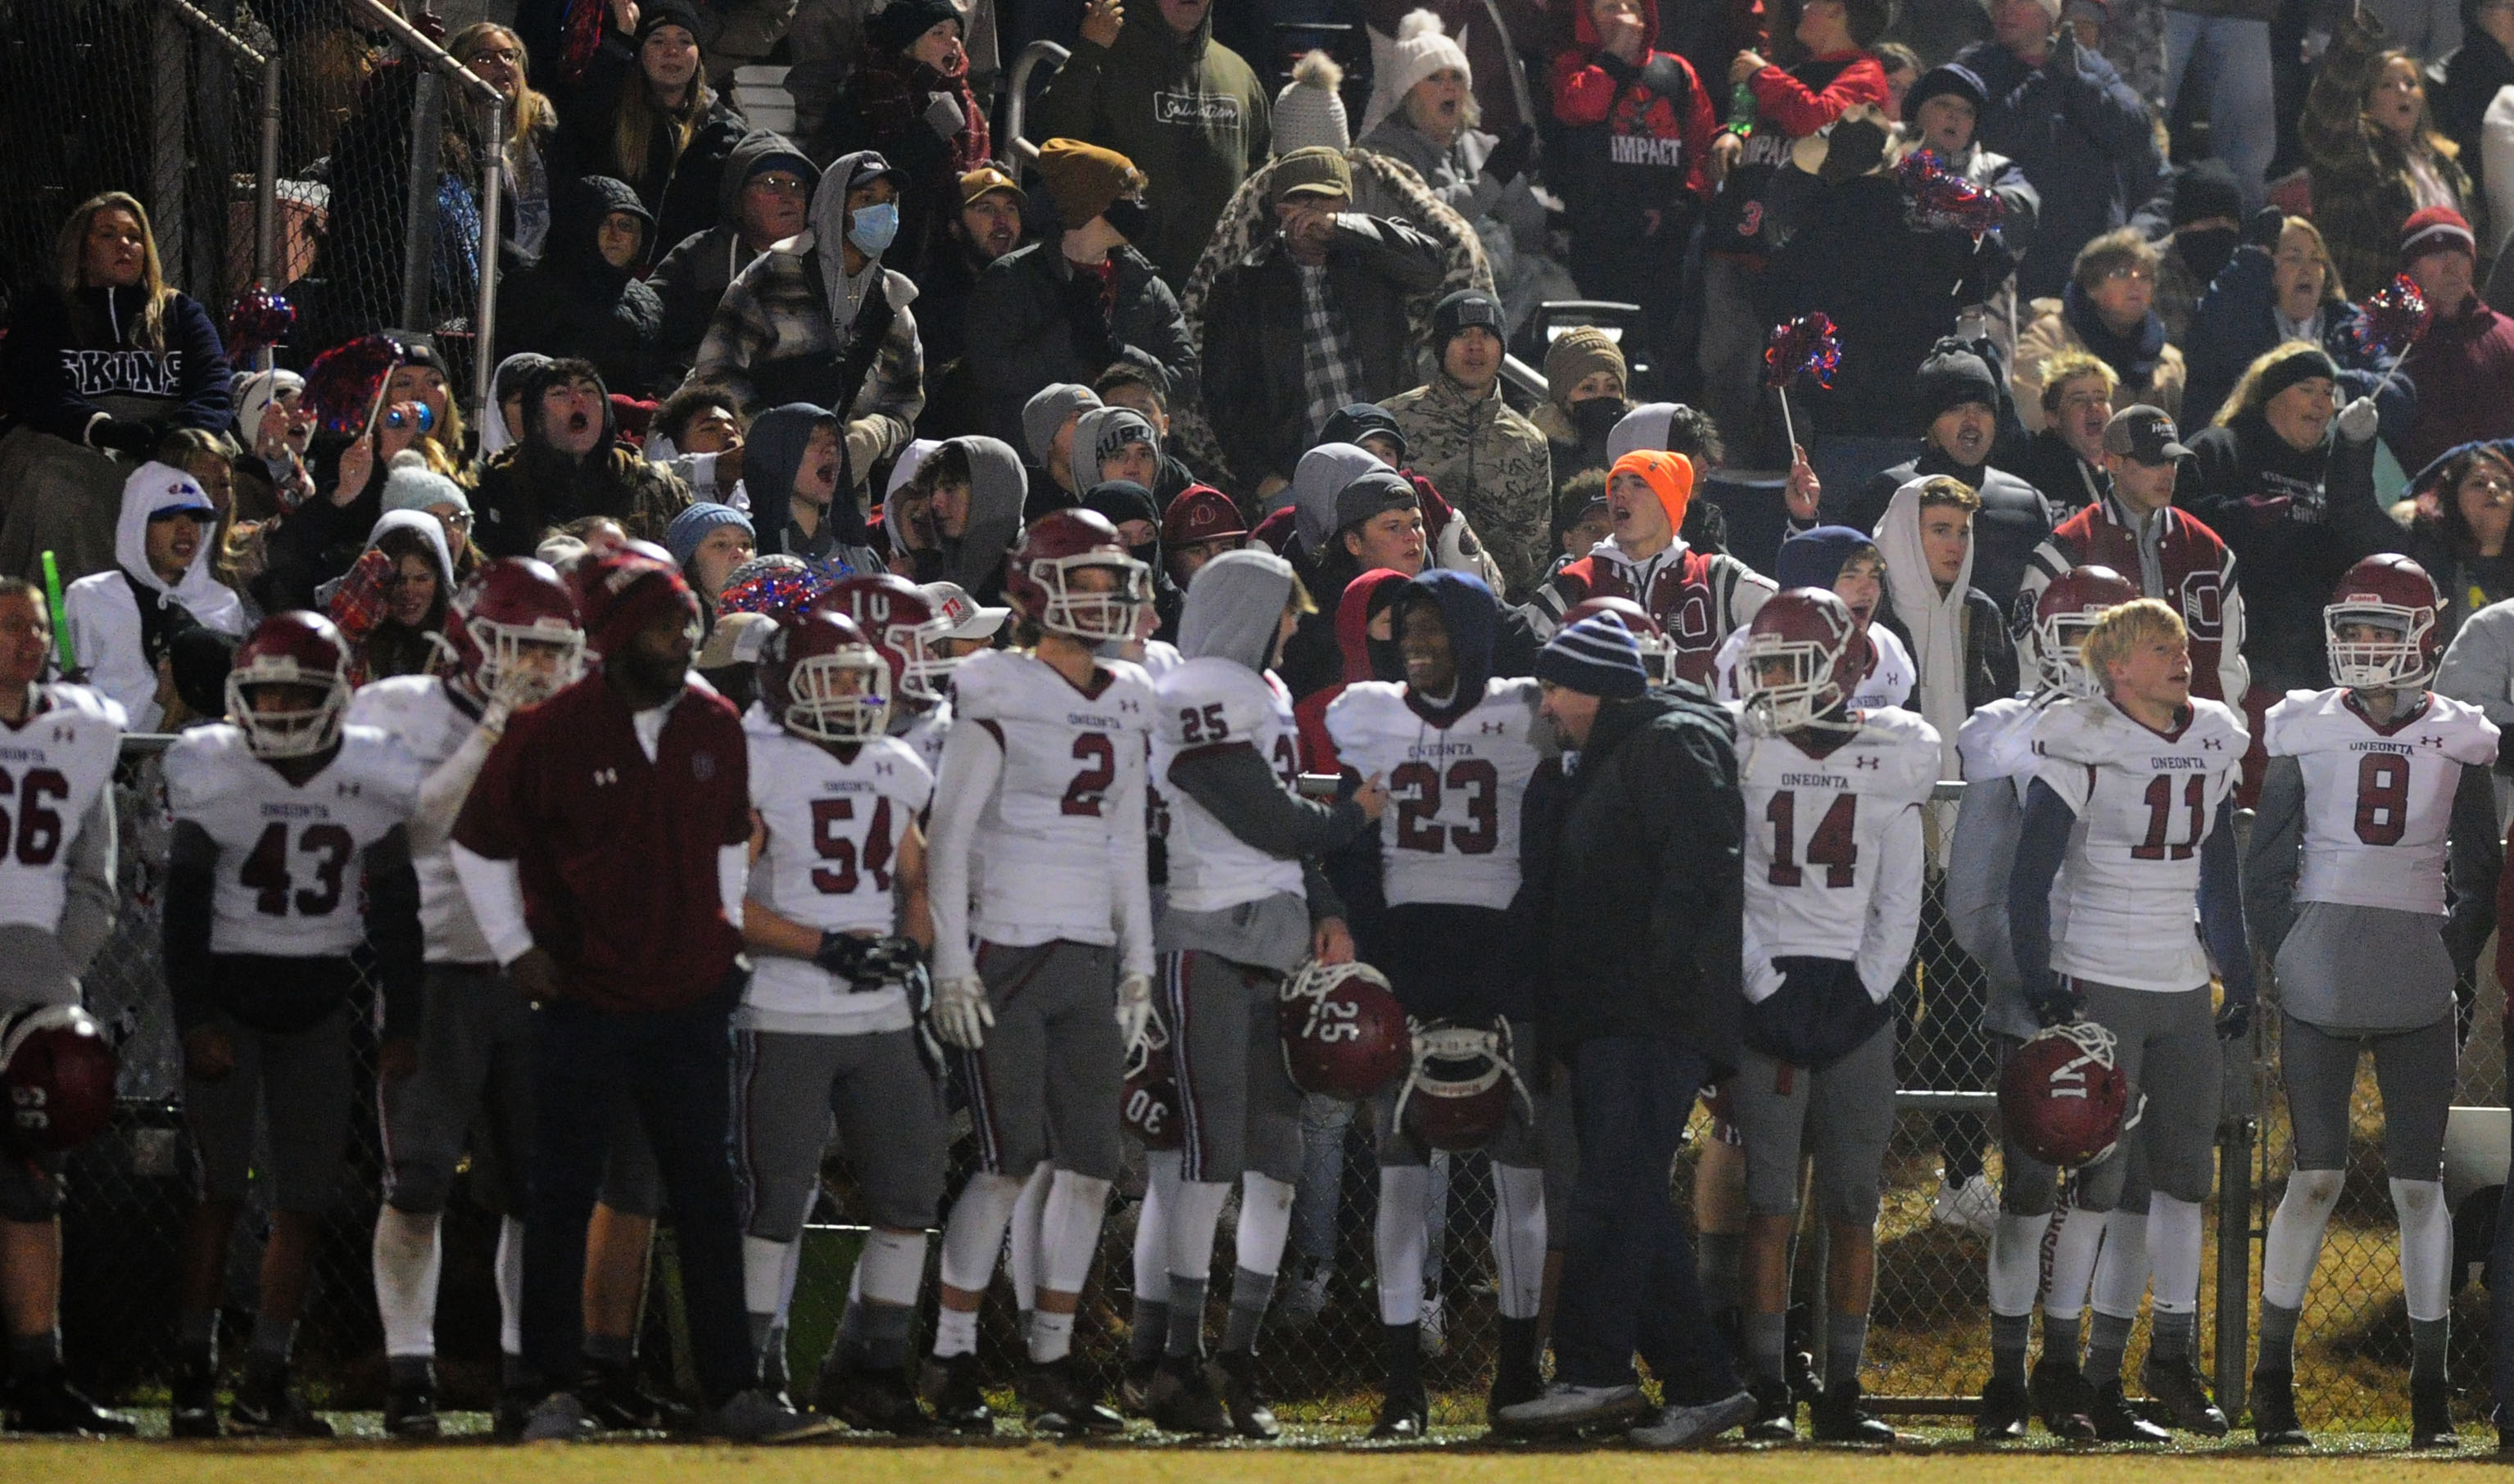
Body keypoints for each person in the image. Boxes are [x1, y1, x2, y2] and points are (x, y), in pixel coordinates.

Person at [449, 549, 828, 1444]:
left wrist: (724, 932)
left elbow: (731, 835)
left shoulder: (713, 721)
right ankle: (550, 1387)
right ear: (617, 635)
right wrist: (515, 949)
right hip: (585, 994)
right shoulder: (550, 727)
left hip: (688, 995)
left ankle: (728, 1390)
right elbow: (478, 840)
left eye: (687, 623)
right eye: (664, 626)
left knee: (705, 1194)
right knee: (562, 1193)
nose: (684, 639)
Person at [351, 560, 669, 1440]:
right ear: (471, 641)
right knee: (417, 1181)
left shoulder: (584, 723)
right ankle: (409, 1371)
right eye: (519, 647)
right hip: (434, 973)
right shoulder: (404, 708)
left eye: (550, 650)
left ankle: (526, 1375)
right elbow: (415, 828)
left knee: (536, 1190)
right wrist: (495, 729)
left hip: (537, 975)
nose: (536, 667)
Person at [2242, 554, 2498, 1450]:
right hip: (2324, 960)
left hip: (2412, 963)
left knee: (2418, 1188)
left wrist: (2443, 955)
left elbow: (2480, 874)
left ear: (2421, 634)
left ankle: (2430, 1394)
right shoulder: (2305, 724)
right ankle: (2272, 1383)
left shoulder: (2458, 734)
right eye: (2349, 628)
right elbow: (2264, 867)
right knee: (2313, 1177)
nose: (2359, 644)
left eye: (2378, 629)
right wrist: (2291, 950)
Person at [917, 510, 1156, 1436]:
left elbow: (1127, 838)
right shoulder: (997, 684)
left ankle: (1051, 1364)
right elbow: (949, 836)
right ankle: (950, 1356)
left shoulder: (1129, 693)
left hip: (1087, 950)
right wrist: (950, 959)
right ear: (1037, 589)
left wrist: (1138, 961)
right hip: (1006, 946)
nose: (1103, 599)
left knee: (1091, 1165)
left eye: (1111, 583)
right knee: (1007, 1161)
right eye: (1085, 581)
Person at [1132, 550, 1380, 1436]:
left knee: (1277, 1163)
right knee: (1206, 1157)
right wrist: (1354, 815)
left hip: (1270, 947)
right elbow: (1262, 813)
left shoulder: (1262, 690)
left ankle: (1235, 1358)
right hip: (1205, 937)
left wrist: (1324, 903)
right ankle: (1177, 1361)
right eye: (1285, 608)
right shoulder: (1197, 689)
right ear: (1246, 608)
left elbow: (1281, 831)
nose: (1295, 624)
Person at [1493, 611, 1755, 1447]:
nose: (1545, 705)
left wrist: (1658, 975)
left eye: (1555, 687)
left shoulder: (1669, 742)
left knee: (1611, 1195)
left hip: (1649, 1013)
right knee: (1626, 1195)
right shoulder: (1618, 753)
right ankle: (1703, 1385)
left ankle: (1596, 1371)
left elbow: (1701, 862)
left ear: (1597, 687)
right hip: (1619, 1013)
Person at [164, 613, 424, 1438]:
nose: (276, 708)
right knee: (217, 1194)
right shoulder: (213, 766)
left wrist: (404, 1020)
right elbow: (182, 913)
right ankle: (192, 1374)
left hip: (318, 1003)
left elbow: (398, 912)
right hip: (231, 999)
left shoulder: (372, 771)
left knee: (303, 1202)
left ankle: (265, 1380)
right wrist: (196, 1017)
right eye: (264, 691)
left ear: (337, 696)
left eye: (294, 692)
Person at [2008, 597, 2253, 1439]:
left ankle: (2163, 1360)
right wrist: (2041, 980)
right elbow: (2029, 875)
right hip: (2100, 979)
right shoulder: (2083, 736)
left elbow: (2219, 871)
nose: (2180, 657)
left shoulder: (2213, 734)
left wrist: (2238, 971)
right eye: (2159, 647)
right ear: (2116, 668)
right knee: (2101, 1187)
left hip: (2179, 983)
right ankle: (2061, 1369)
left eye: (2180, 643)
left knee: (2183, 1181)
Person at [1324, 568, 1555, 1437]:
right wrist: (1367, 950)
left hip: (1502, 959)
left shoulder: (1522, 711)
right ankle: (1401, 1388)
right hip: (1406, 961)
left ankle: (1517, 1372)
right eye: (1407, 630)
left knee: (1519, 1170)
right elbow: (1351, 841)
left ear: (1473, 634)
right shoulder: (1371, 712)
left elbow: (1550, 837)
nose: (1417, 645)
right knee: (1400, 1166)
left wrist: (1528, 948)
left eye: (1435, 628)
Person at [1724, 588, 1937, 1442]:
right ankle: (1768, 1385)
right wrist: (1760, 986)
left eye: (1786, 665)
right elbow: (1728, 882)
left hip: (1856, 1000)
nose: (1768, 682)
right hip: (1768, 992)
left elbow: (1900, 895)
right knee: (1769, 1204)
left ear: (1840, 668)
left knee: (1854, 1204)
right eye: (1763, 665)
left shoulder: (1892, 752)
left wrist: (1867, 993)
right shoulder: (1743, 748)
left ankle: (1843, 1389)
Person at [735, 608, 947, 1434]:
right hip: (784, 1010)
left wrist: (910, 951)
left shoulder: (896, 763)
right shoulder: (760, 761)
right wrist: (823, 946)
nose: (853, 696)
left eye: (863, 679)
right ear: (785, 685)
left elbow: (917, 878)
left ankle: (871, 1368)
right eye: (833, 680)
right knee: (775, 1200)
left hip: (881, 1016)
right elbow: (726, 901)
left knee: (910, 1193)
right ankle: (754, 1370)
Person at [1953, 562, 2136, 1445]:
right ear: (2041, 641)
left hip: (2125, 977)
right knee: (2031, 1186)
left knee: (2103, 1187)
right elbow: (1973, 894)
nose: (2092, 658)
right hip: (2039, 991)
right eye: (2076, 638)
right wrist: (2024, 980)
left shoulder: (2163, 729)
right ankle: (2007, 1377)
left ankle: (2063, 1374)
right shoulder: (2004, 732)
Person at [0, 580, 129, 1435]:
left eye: (37, 626)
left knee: (33, 1186)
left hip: (37, 992)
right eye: (10, 626)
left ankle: (39, 1374)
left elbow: (97, 880)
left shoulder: (78, 734)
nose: (29, 640)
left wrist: (56, 975)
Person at [0, 192, 231, 583]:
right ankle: (79, 611)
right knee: (57, 483)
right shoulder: (47, 310)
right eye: (108, 235)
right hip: (76, 437)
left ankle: (214, 608)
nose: (125, 244)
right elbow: (37, 391)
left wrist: (178, 434)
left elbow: (213, 385)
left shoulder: (180, 312)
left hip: (169, 434)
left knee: (230, 472)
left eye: (134, 236)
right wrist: (104, 430)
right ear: (81, 251)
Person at [1198, 148, 1451, 500]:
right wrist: (1263, 480)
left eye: (1325, 202)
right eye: (1302, 202)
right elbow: (1222, 395)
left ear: (1345, 205)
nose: (1312, 214)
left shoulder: (1374, 253)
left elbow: (1431, 268)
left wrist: (1342, 230)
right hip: (1299, 480)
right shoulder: (1242, 285)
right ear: (1280, 210)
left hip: (1386, 465)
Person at [2177, 343, 2398, 696]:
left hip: (2316, 666)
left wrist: (2354, 453)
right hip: (2237, 657)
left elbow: (2361, 538)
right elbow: (2173, 523)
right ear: (2271, 398)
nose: (2321, 402)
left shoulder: (2335, 467)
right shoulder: (2219, 447)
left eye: (2328, 393)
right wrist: (2240, 516)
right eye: (2306, 389)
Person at [689, 150, 926, 460]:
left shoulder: (893, 303)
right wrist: (771, 437)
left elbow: (907, 400)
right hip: (761, 475)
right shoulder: (774, 275)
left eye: (890, 200)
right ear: (834, 205)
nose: (882, 212)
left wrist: (876, 435)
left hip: (844, 483)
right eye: (866, 199)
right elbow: (716, 368)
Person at [965, 141, 1198, 452]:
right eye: (1127, 196)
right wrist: (1067, 335)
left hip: (1129, 461)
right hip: (1043, 463)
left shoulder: (1146, 286)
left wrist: (1119, 354)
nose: (1139, 206)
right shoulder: (1010, 281)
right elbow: (991, 378)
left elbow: (1184, 382)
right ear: (1088, 203)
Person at [1031, 0, 1271, 290]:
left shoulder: (1238, 74)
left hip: (1215, 294)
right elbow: (1053, 136)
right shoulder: (1106, 57)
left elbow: (1262, 175)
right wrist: (1088, 53)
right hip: (1120, 290)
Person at [2017, 405, 2249, 704]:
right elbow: (2031, 658)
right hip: (2096, 726)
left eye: (2172, 461)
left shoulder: (2210, 550)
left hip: (2193, 726)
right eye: (2152, 461)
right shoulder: (2067, 549)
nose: (2168, 472)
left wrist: (2226, 726)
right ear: (2112, 461)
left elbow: (2228, 667)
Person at [1358, 11, 1561, 336]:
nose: (1450, 86)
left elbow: (1530, 232)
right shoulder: (1381, 155)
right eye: (1434, 78)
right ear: (1408, 93)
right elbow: (1417, 222)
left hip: (1510, 291)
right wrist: (1489, 184)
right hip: (1432, 303)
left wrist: (1512, 184)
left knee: (1566, 305)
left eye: (1456, 77)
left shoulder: (1481, 146)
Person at [1547, 0, 1719, 371]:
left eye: (1633, 6)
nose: (1625, 16)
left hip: (1667, 242)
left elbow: (1701, 147)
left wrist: (1682, 205)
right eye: (1610, 7)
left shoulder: (1676, 70)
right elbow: (1579, 109)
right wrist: (1613, 61)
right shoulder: (1573, 66)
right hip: (1598, 241)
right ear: (1589, 18)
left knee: (1666, 351)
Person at [1957, 0, 2154, 301]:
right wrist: (2049, 80)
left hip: (2086, 255)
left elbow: (2133, 131)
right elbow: (1995, 137)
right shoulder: (1975, 66)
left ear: (2050, 14)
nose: (2005, 9)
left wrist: (2079, 83)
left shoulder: (2087, 64)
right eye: (1998, 2)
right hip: (2011, 252)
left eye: (2019, 2)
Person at [1528, 450, 1776, 682]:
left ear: (1668, 502)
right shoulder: (1572, 583)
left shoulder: (1718, 579)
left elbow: (1790, 624)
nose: (1619, 494)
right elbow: (1532, 675)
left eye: (1638, 484)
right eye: (1615, 486)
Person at [1845, 340, 2054, 613]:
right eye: (1955, 409)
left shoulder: (2028, 503)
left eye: (1983, 409)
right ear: (1929, 422)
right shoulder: (1888, 494)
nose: (1972, 421)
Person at [1384, 292, 1553, 599]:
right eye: (1462, 334)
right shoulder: (1394, 422)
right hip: (1408, 601)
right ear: (1441, 346)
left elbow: (1535, 546)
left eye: (1486, 335)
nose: (1475, 346)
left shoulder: (1529, 441)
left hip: (1500, 607)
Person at [61, 462, 248, 732]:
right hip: (110, 754)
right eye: (168, 517)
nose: (185, 529)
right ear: (136, 524)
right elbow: (63, 708)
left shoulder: (223, 602)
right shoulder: (89, 597)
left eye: (194, 518)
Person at [2303, 3, 2472, 303]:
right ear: (2366, 100)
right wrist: (2357, 34)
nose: (2403, 90)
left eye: (2411, 83)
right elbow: (2330, 108)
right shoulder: (2354, 154)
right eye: (2387, 85)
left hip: (2445, 310)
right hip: (2376, 308)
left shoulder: (2446, 166)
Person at [808, 0, 989, 279]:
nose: (953, 43)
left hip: (945, 258)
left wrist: (985, 182)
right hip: (883, 255)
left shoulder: (964, 101)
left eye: (956, 34)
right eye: (938, 33)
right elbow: (854, 180)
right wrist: (927, 134)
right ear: (906, 45)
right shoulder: (865, 97)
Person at [561, 2, 746, 261]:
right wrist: (622, 36)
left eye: (684, 41)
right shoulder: (612, 119)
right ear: (640, 53)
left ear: (699, 56)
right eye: (658, 41)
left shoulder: (725, 131)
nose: (672, 51)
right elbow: (584, 115)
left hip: (692, 274)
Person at [2186, 213, 2395, 438]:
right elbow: (2217, 322)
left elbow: (2397, 389)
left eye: (2316, 259)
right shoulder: (2249, 324)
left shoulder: (2352, 323)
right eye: (2293, 258)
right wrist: (2255, 256)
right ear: (2270, 270)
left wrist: (2338, 385)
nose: (2307, 269)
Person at [471, 360, 692, 559]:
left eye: (588, 390)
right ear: (535, 417)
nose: (578, 399)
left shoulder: (656, 487)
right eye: (559, 393)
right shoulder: (496, 488)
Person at [647, 133, 819, 388]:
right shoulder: (702, 256)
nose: (788, 196)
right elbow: (648, 326)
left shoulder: (823, 262)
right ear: (737, 199)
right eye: (773, 183)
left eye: (797, 186)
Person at [498, 174, 668, 399]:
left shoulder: (647, 305)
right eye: (604, 223)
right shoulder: (530, 291)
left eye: (626, 226)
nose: (616, 236)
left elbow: (653, 383)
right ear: (580, 227)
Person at [1710, 526, 1917, 707]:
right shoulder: (1749, 646)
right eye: (1850, 576)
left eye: (1874, 576)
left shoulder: (1889, 646)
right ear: (1812, 583)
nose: (1869, 589)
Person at [2014, 230, 2186, 432]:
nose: (2136, 284)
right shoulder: (2047, 340)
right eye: (2121, 274)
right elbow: (2034, 418)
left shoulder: (2169, 363)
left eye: (2145, 277)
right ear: (2092, 286)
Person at [2395, 207, 2514, 471]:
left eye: (2461, 256)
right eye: (2437, 256)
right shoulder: (2384, 339)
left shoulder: (2507, 338)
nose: (2451, 268)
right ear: (2411, 269)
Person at [451, 23, 568, 268]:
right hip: (493, 273)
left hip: (546, 273)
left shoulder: (542, 132)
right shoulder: (453, 145)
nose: (502, 63)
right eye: (485, 57)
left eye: (508, 55)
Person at [739, 402, 884, 573]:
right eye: (812, 440)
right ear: (778, 457)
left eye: (834, 441)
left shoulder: (862, 556)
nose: (831, 449)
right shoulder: (744, 551)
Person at [330, 511, 457, 686]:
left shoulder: (454, 647)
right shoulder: (358, 638)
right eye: (397, 580)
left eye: (422, 579)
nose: (408, 591)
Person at [2406, 441, 2514, 644]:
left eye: (2503, 484)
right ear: (2454, 498)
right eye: (2478, 484)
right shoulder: (2424, 560)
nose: (2492, 489)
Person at [2012, 351, 2119, 511]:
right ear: (2052, 417)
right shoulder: (2030, 462)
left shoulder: (2125, 475)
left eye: (2101, 398)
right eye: (2078, 400)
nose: (2094, 407)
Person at [1530, 328, 1629, 493]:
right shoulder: (1535, 455)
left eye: (1612, 387)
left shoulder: (1643, 446)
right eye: (1588, 388)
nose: (1601, 396)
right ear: (1563, 396)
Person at [667, 502, 759, 620]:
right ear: (691, 563)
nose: (739, 553)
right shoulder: (676, 628)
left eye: (745, 544)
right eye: (720, 545)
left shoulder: (775, 619)